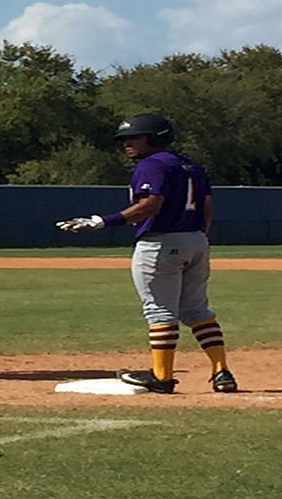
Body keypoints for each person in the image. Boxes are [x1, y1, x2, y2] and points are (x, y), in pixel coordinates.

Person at [56, 113, 238, 394]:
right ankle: (221, 371)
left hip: (159, 243)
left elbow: (150, 205)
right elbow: (207, 209)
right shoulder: (191, 165)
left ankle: (162, 377)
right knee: (196, 310)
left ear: (155, 137)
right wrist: (196, 236)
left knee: (160, 311)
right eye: (124, 138)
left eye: (134, 137)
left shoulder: (151, 165)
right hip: (196, 240)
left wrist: (102, 221)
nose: (127, 143)